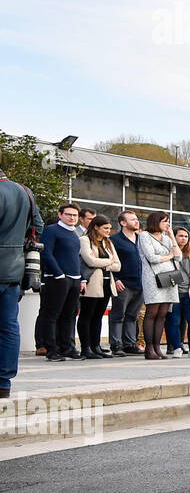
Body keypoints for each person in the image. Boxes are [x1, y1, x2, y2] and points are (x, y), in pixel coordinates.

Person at [0, 166, 42, 398]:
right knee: (8, 326)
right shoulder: (24, 191)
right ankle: (4, 381)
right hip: (13, 270)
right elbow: (38, 227)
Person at [34, 203, 84, 362]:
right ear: (60, 214)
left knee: (69, 315)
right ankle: (51, 350)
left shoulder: (74, 233)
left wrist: (81, 277)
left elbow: (76, 257)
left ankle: (67, 348)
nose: (72, 218)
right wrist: (59, 274)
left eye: (75, 215)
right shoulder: (51, 230)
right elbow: (46, 254)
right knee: (52, 315)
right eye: (69, 214)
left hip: (74, 279)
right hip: (57, 279)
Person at [137, 211, 181, 361]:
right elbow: (151, 257)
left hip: (169, 278)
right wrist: (168, 256)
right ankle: (148, 348)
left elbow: (179, 255)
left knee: (162, 314)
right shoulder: (144, 236)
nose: (168, 224)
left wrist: (172, 236)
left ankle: (157, 346)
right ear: (156, 221)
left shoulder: (167, 238)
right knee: (152, 312)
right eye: (165, 221)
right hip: (153, 278)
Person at [77, 215, 120, 359]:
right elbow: (89, 261)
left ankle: (96, 346)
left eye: (109, 228)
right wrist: (108, 261)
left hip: (107, 284)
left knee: (98, 317)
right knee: (86, 316)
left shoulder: (108, 242)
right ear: (96, 227)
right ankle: (85, 347)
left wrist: (102, 262)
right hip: (92, 284)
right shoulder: (85, 240)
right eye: (105, 228)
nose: (108, 231)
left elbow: (118, 265)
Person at [164, 227, 190, 357]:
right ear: (174, 237)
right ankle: (177, 347)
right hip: (174, 292)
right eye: (180, 236)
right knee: (174, 321)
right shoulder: (168, 252)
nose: (183, 238)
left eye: (186, 236)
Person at [108, 210, 144, 356]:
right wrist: (115, 279)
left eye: (136, 219)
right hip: (123, 284)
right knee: (118, 315)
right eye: (132, 219)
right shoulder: (114, 240)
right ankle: (116, 344)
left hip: (140, 284)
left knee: (132, 316)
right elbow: (110, 261)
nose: (136, 221)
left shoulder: (141, 239)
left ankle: (129, 344)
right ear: (123, 223)